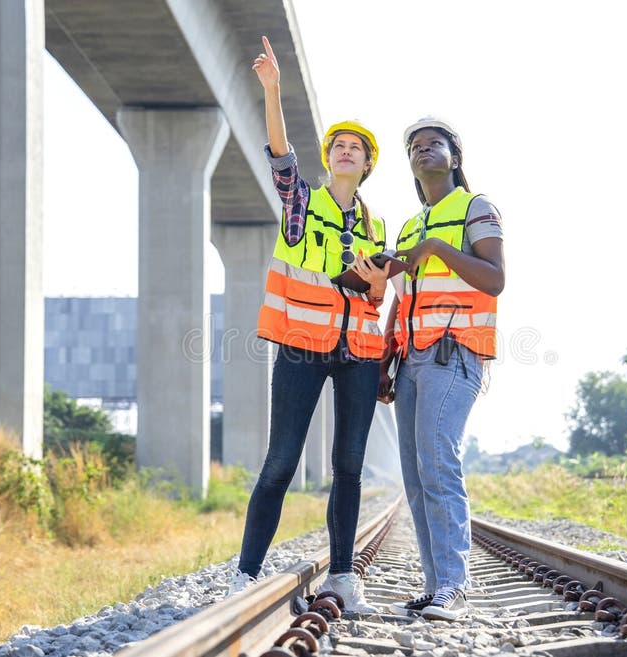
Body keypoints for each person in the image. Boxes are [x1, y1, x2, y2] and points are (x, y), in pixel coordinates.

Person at [226, 36, 390, 613]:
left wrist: (375, 282)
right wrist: (273, 89)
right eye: (339, 146)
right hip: (300, 348)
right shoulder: (301, 203)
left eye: (356, 148)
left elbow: (377, 293)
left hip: (360, 357)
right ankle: (245, 577)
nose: (346, 152)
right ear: (328, 158)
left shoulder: (377, 226)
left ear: (367, 165)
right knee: (281, 462)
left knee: (348, 467)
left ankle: (344, 578)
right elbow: (279, 154)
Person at [380, 117, 505, 621]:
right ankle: (436, 587)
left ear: (455, 157)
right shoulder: (411, 225)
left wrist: (435, 249)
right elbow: (401, 297)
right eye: (415, 146)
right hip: (410, 358)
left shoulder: (477, 208)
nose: (423, 150)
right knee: (414, 474)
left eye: (434, 144)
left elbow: (495, 279)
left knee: (438, 462)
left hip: (453, 352)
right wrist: (386, 360)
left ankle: (454, 585)